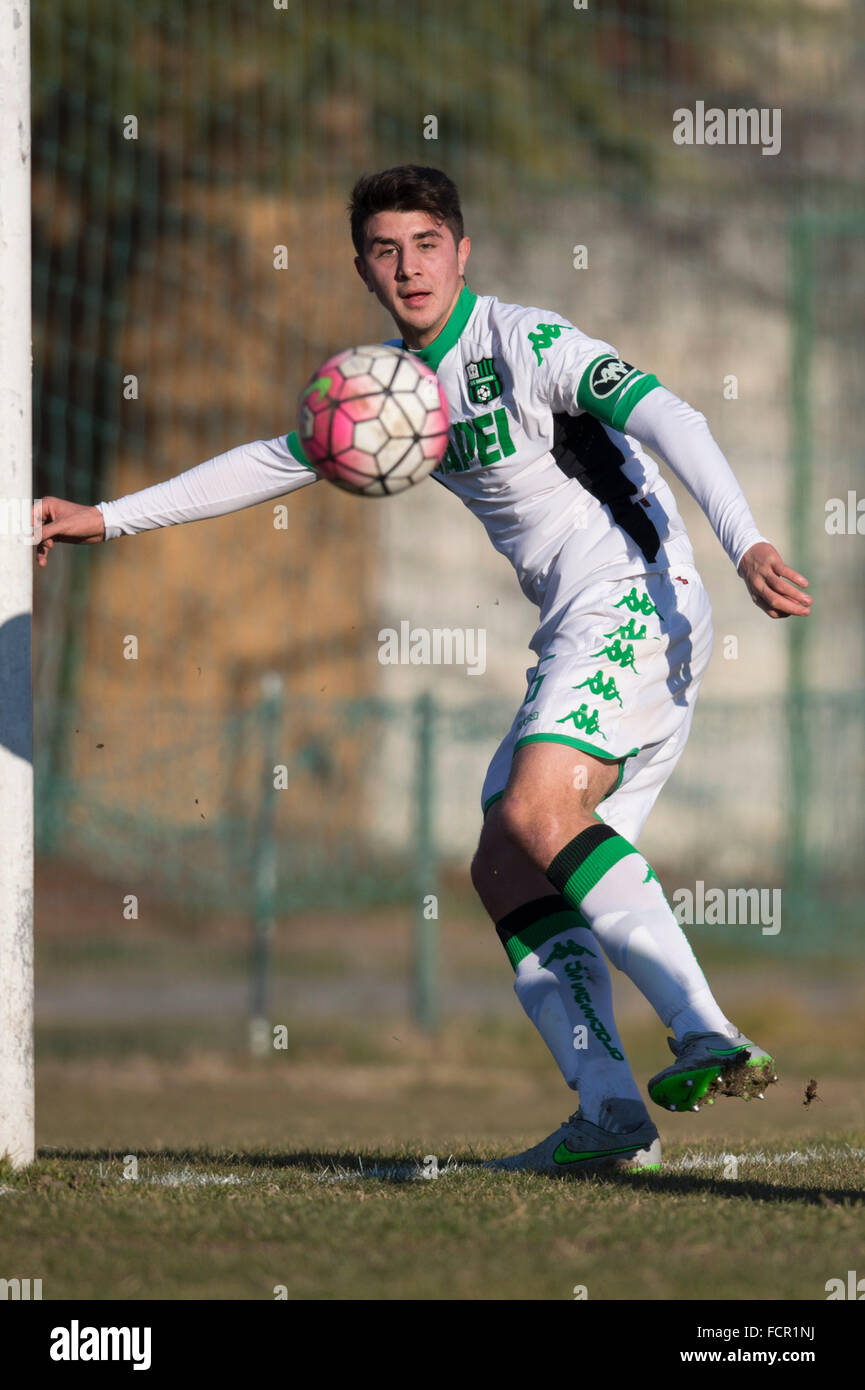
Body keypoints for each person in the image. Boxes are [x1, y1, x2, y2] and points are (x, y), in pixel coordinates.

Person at [34, 165, 811, 1176]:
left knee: (537, 812)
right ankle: (611, 1109)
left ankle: (705, 1029)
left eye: (426, 244)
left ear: (462, 250)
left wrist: (745, 539)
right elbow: (271, 459)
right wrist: (103, 518)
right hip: (582, 621)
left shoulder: (525, 342)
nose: (408, 268)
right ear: (361, 267)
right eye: (385, 251)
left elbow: (672, 416)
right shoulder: (386, 387)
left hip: (634, 595)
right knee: (504, 860)